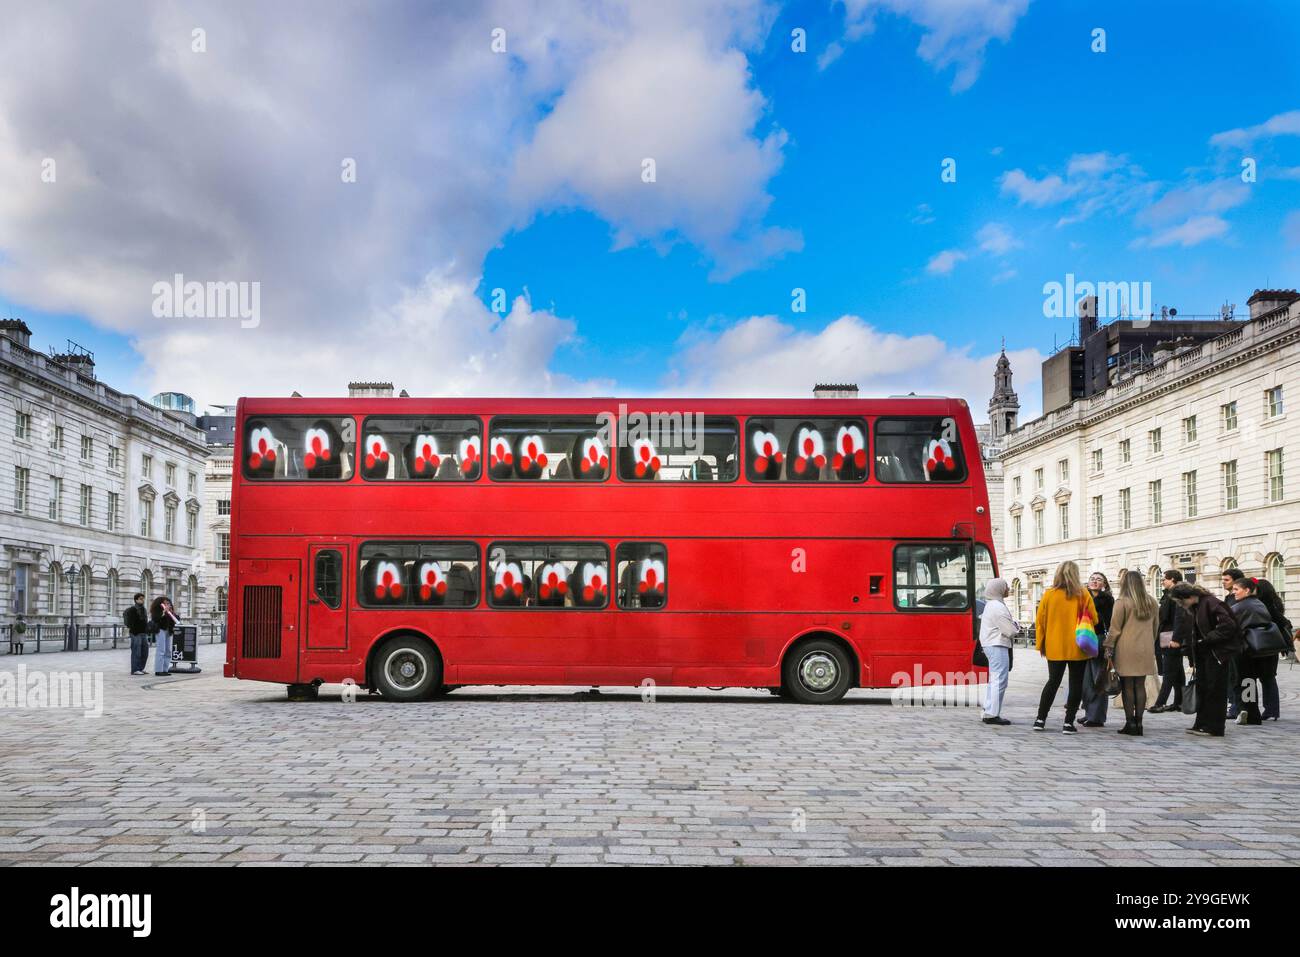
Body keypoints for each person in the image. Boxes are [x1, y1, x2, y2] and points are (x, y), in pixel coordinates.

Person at [1168, 583, 1244, 737]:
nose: (1181, 605)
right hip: (1205, 654)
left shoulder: (1211, 603)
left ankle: (1215, 727)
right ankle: (1202, 723)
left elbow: (1228, 625)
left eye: (1181, 601)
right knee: (1203, 688)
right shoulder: (1197, 606)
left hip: (1216, 653)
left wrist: (1207, 639)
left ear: (1188, 596)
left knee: (1215, 690)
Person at [1033, 561, 1098, 734]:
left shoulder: (1049, 594)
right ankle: (1068, 723)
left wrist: (1041, 644)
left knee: (1052, 682)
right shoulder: (1083, 594)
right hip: (1078, 646)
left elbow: (1040, 623)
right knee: (1076, 684)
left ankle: (1040, 719)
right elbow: (1094, 618)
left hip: (1055, 645)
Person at [1104, 571, 1160, 735]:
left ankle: (1130, 723)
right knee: (1140, 685)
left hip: (1126, 648)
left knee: (1128, 686)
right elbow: (1156, 627)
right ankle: (1139, 723)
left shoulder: (1121, 602)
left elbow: (1115, 629)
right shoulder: (1151, 602)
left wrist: (1108, 646)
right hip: (1145, 648)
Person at [1231, 577, 1289, 724]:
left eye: (1236, 589)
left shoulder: (1239, 607)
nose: (1234, 592)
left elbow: (1229, 626)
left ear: (1247, 590)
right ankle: (1255, 713)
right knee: (1261, 679)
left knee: (1245, 681)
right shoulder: (1259, 603)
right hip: (1262, 648)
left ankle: (1247, 712)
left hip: (1246, 649)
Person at [979, 579, 1020, 725]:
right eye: (1006, 586)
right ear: (999, 589)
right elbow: (1009, 630)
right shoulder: (998, 606)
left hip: (991, 644)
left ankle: (988, 710)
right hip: (997, 644)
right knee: (1000, 680)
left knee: (994, 679)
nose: (1008, 588)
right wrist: (1017, 626)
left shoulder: (991, 605)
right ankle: (992, 714)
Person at [1150, 570, 1188, 713]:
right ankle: (1179, 702)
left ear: (1172, 579)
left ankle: (1160, 703)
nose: (1162, 582)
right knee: (1177, 671)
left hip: (1171, 636)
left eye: (1164, 579)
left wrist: (1176, 639)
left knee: (1168, 671)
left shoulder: (1176, 595)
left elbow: (1180, 618)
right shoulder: (1170, 594)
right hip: (1167, 634)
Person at [1079, 571, 1114, 727]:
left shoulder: (1106, 600)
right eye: (1092, 579)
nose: (1094, 581)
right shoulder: (1083, 597)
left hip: (1098, 640)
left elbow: (1104, 621)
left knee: (1097, 679)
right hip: (1083, 639)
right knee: (1086, 679)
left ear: (1104, 584)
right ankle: (1089, 712)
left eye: (1099, 580)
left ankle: (1097, 717)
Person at [1222, 568, 1246, 719]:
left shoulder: (1240, 600)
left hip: (1238, 642)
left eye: (1226, 580)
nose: (1223, 583)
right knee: (1231, 676)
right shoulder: (1228, 598)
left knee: (1238, 677)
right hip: (1229, 641)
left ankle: (1238, 707)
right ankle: (1235, 706)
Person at [150, 595, 180, 676]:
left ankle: (165, 669)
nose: (167, 604)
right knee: (161, 650)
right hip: (160, 630)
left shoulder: (170, 611)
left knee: (168, 651)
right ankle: (158, 670)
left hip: (168, 630)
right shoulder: (157, 610)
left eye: (168, 603)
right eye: (165, 603)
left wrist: (172, 612)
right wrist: (164, 612)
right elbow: (156, 619)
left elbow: (177, 619)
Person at [124, 592, 149, 675]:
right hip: (135, 633)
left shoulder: (144, 609)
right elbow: (128, 621)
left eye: (143, 599)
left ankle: (141, 668)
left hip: (143, 633)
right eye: (141, 599)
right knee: (136, 651)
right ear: (136, 600)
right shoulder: (132, 609)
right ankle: (135, 669)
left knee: (145, 651)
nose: (143, 600)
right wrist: (133, 628)